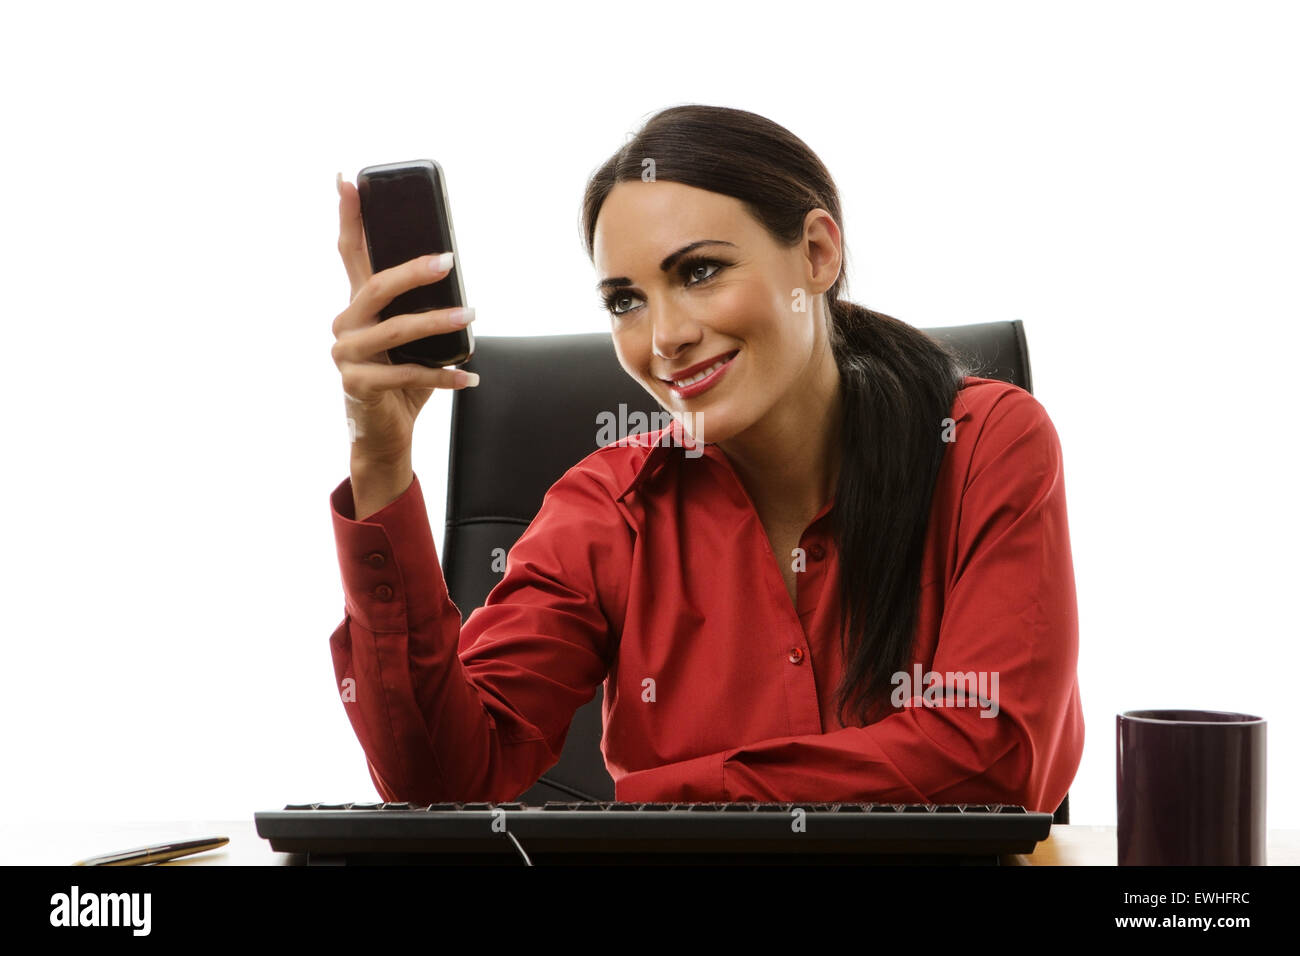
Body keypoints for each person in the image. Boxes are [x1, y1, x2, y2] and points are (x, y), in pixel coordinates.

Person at [327, 104, 1084, 812]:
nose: (664, 339)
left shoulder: (984, 444)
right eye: (626, 301)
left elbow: (993, 758)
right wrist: (382, 460)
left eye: (698, 272)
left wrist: (667, 802)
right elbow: (443, 785)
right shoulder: (607, 509)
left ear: (817, 254)